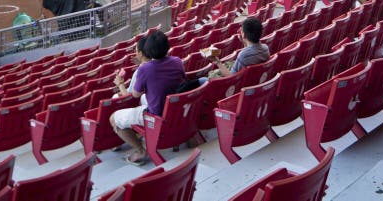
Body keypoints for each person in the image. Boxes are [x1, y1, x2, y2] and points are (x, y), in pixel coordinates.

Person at [110, 30, 185, 165]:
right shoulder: (177, 61)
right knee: (144, 98)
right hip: (174, 110)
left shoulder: (146, 69)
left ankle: (140, 150)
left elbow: (135, 94)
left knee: (114, 118)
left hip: (156, 115)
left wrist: (120, 83)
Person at [200, 17, 270, 81]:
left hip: (235, 84)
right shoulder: (265, 48)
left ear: (243, 35)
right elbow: (251, 54)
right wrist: (244, 43)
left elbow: (231, 77)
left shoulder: (243, 55)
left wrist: (217, 61)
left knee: (203, 80)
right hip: (252, 80)